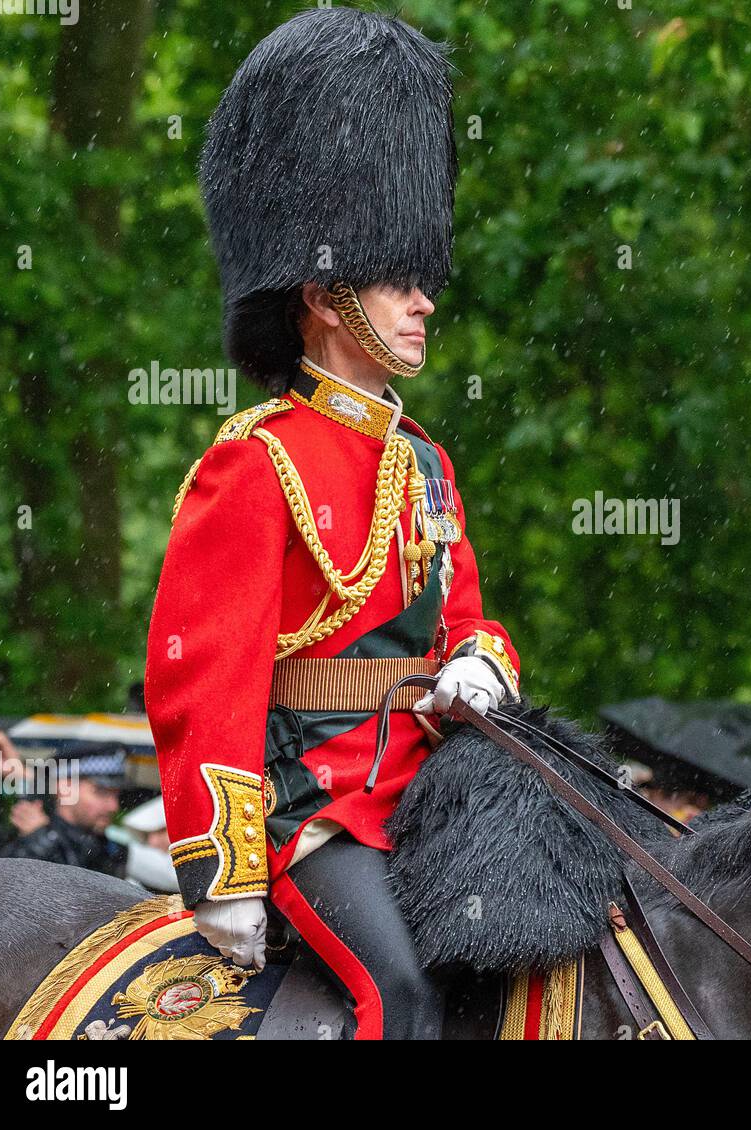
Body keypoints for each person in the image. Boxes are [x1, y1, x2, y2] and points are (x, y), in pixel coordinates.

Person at [145, 8, 520, 1040]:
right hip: (315, 806)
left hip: (433, 792)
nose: (424, 304)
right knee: (399, 994)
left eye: (422, 280)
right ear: (321, 294)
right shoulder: (254, 459)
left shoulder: (427, 464)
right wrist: (222, 862)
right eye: (400, 281)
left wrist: (483, 664)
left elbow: (466, 623)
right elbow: (200, 674)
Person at [0, 742, 128, 878]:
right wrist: (42, 844)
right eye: (101, 792)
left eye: (116, 795)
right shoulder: (27, 843)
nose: (114, 806)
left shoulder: (106, 846)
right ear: (65, 789)